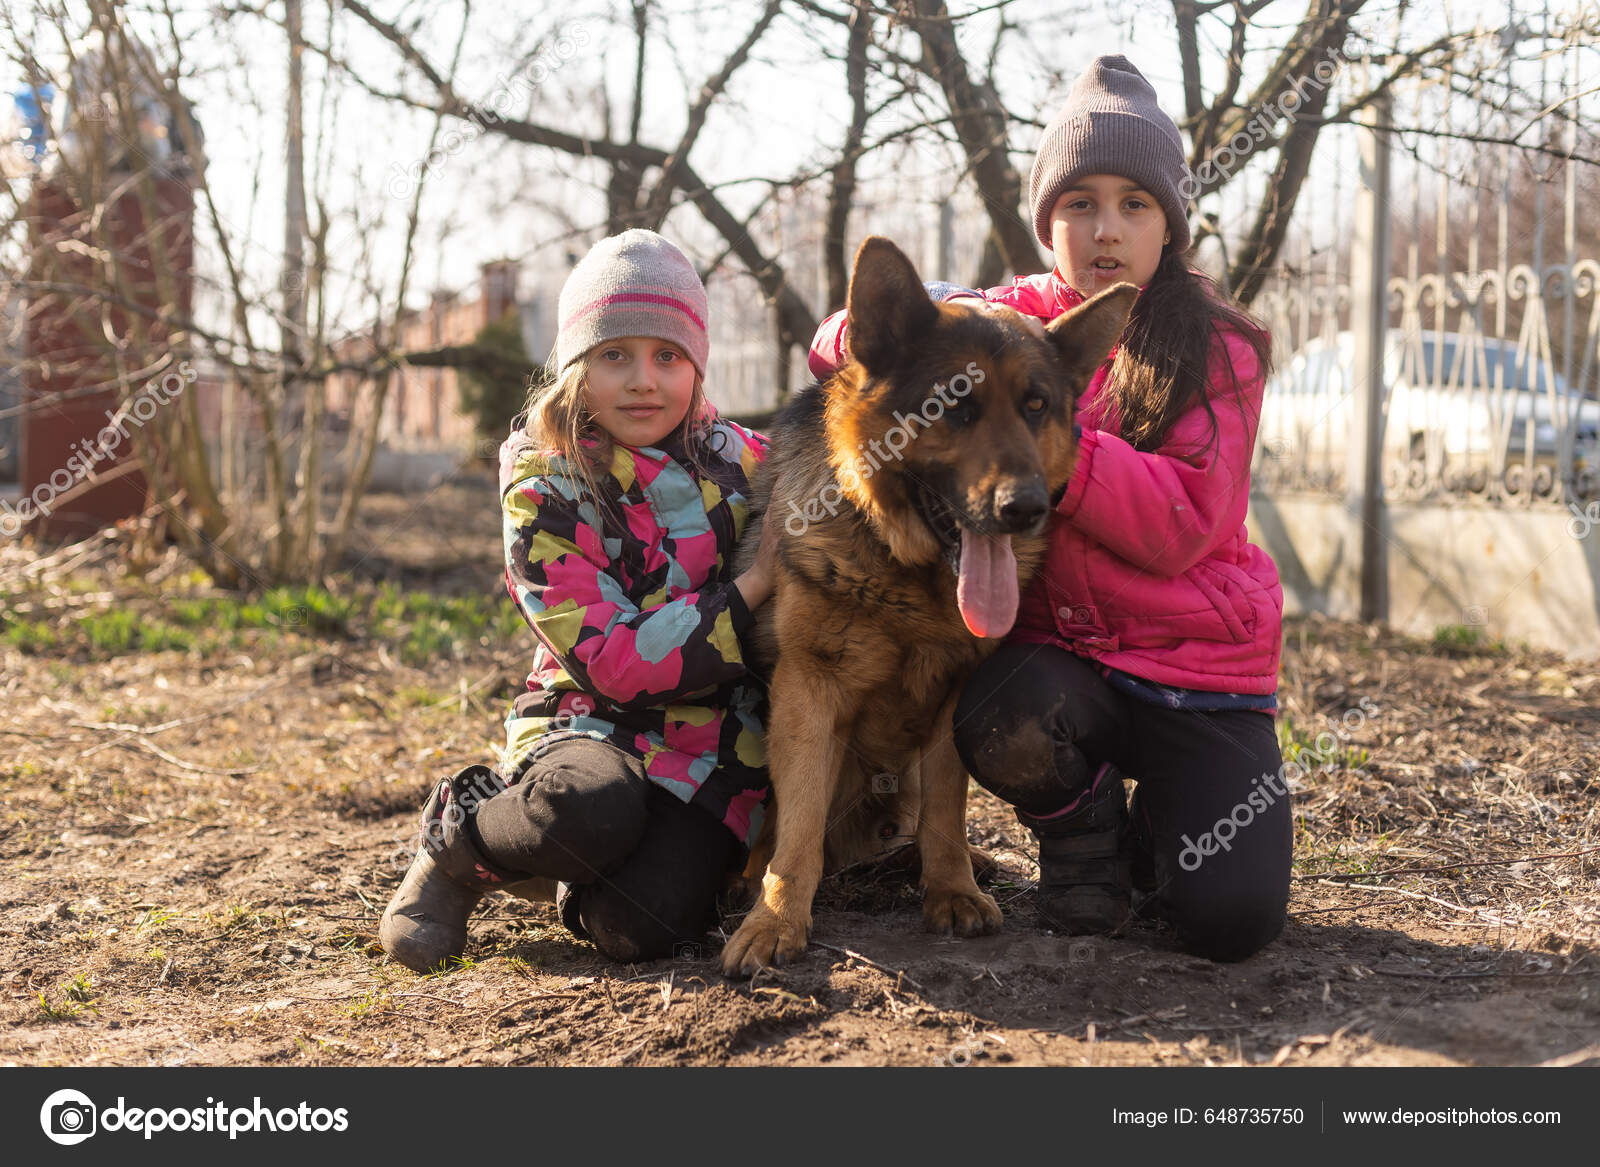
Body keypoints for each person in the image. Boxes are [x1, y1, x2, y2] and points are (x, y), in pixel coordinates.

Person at [808, 56, 1287, 962]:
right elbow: (843, 339)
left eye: (1135, 204)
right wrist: (919, 327)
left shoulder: (1221, 345)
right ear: (1047, 222)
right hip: (1063, 669)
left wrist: (1045, 452)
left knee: (1230, 918)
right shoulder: (1007, 319)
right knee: (993, 708)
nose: (1106, 228)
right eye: (1080, 203)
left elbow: (1185, 521)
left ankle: (1165, 827)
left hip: (1195, 670)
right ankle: (1081, 834)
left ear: (1170, 222)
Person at [381, 229, 779, 972]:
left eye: (668, 357)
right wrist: (752, 589)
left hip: (714, 753)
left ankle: (570, 874)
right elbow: (614, 662)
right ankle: (462, 843)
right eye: (614, 355)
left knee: (646, 927)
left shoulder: (752, 465)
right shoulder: (547, 489)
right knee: (587, 808)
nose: (643, 381)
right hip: (589, 723)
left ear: (697, 366)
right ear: (575, 367)